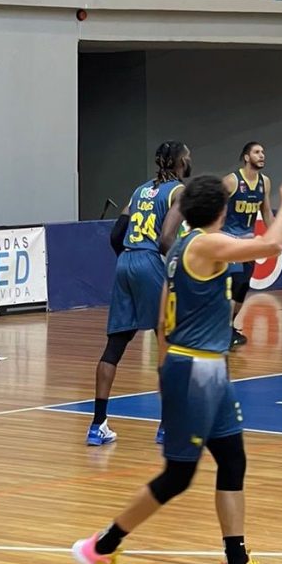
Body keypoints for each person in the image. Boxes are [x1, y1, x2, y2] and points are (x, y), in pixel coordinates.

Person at [72, 173, 282, 564]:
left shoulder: (179, 248)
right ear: (222, 210)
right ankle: (102, 546)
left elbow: (163, 320)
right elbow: (271, 245)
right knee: (178, 475)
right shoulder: (205, 244)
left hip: (204, 368)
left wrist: (165, 373)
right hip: (195, 371)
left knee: (233, 460)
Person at [87, 141, 191, 446]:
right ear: (181, 162)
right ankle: (167, 425)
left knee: (114, 347)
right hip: (148, 262)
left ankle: (97, 426)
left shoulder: (139, 190)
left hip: (126, 261)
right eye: (189, 158)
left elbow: (116, 234)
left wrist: (129, 258)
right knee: (166, 345)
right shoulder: (179, 191)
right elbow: (165, 240)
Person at [222, 142, 275, 346]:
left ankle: (231, 327)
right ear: (246, 157)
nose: (262, 155)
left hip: (248, 241)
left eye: (263, 151)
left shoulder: (265, 182)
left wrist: (275, 239)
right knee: (234, 282)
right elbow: (214, 206)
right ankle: (222, 329)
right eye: (257, 152)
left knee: (243, 286)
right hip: (229, 240)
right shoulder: (231, 181)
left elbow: (266, 211)